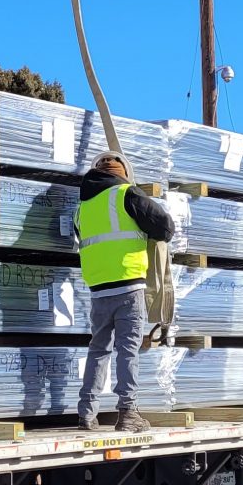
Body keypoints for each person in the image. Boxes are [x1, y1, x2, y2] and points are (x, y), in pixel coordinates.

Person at [74, 152, 172, 433]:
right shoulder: (126, 194)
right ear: (123, 173)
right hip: (128, 285)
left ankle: (86, 414)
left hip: (97, 289)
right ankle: (127, 413)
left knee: (98, 350)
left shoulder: (84, 206)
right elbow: (165, 228)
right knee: (128, 350)